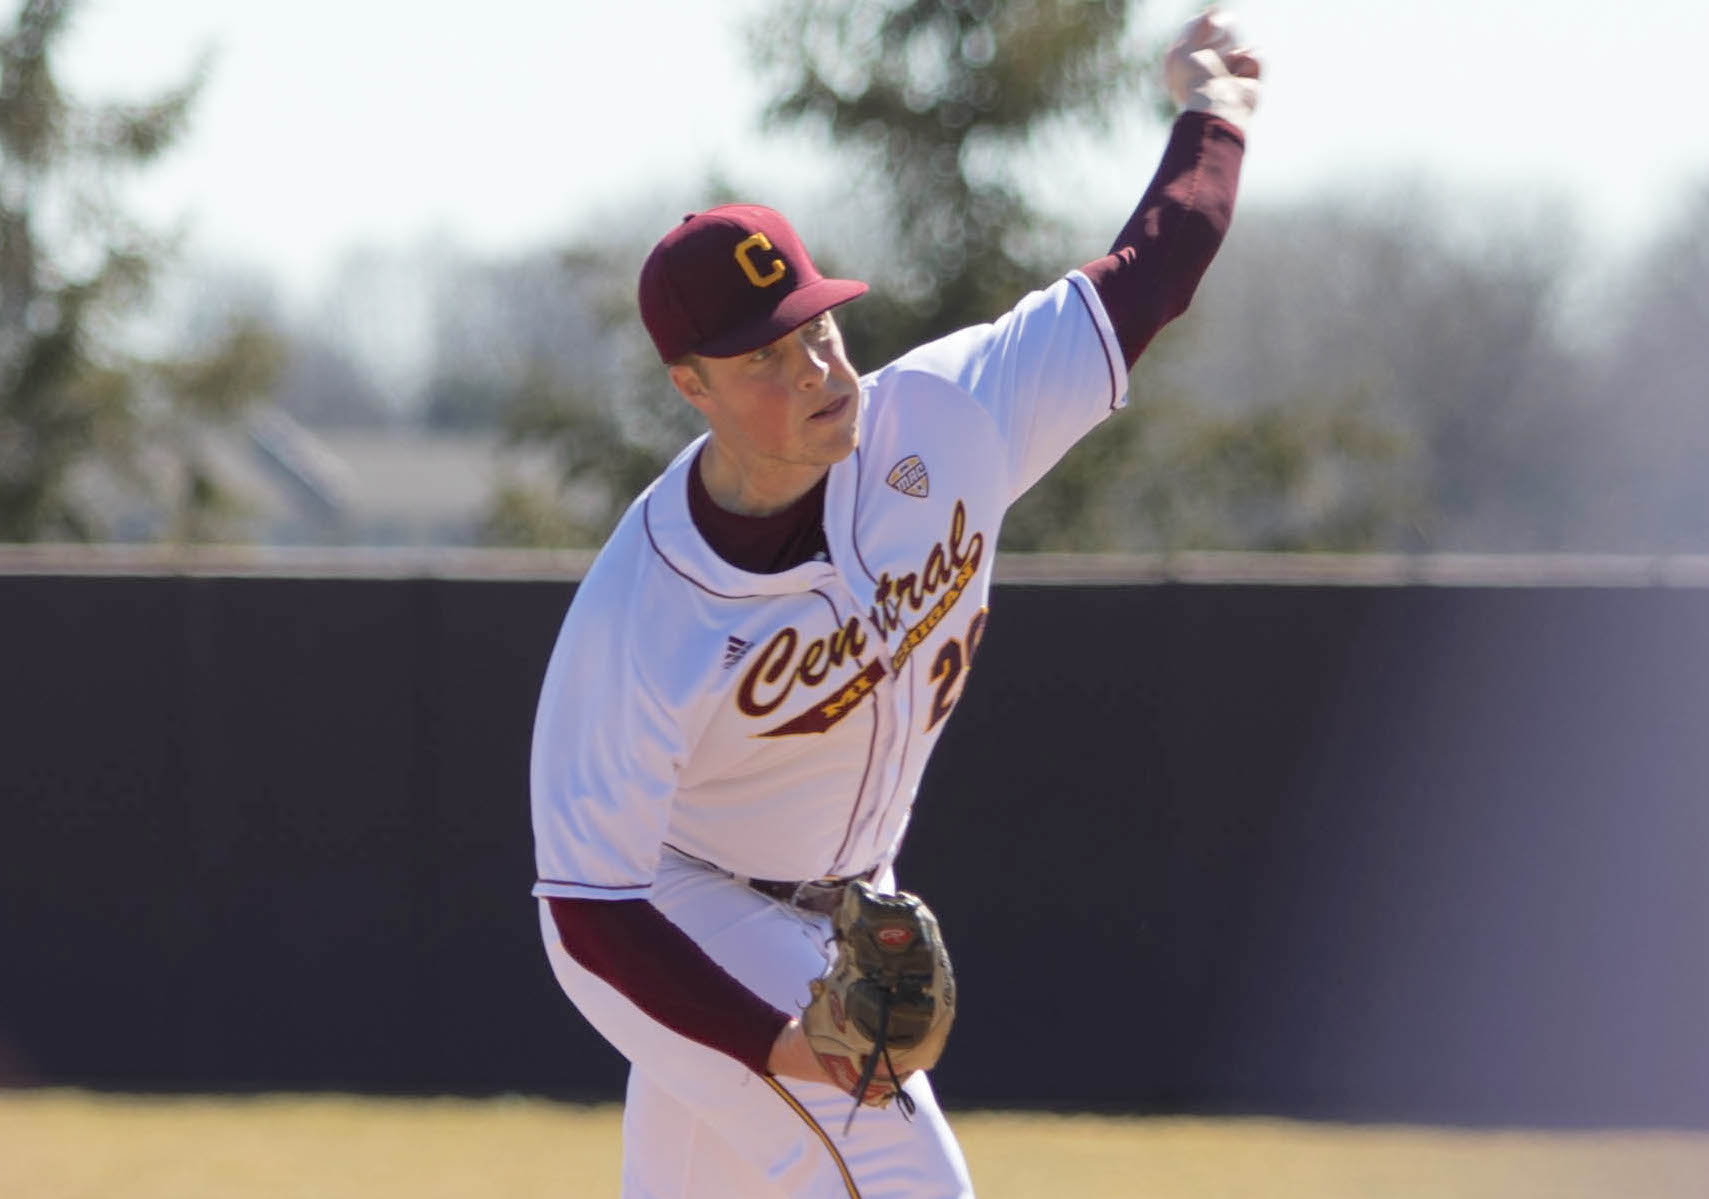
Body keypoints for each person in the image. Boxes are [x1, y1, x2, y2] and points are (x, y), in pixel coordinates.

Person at [529, 11, 1260, 1197]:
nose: (818, 370)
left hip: (839, 899)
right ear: (690, 385)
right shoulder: (642, 614)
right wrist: (775, 1041)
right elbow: (588, 917)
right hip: (685, 915)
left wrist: (1213, 112)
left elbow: (1150, 273)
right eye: (768, 354)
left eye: (818, 327)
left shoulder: (945, 417)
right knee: (906, 1174)